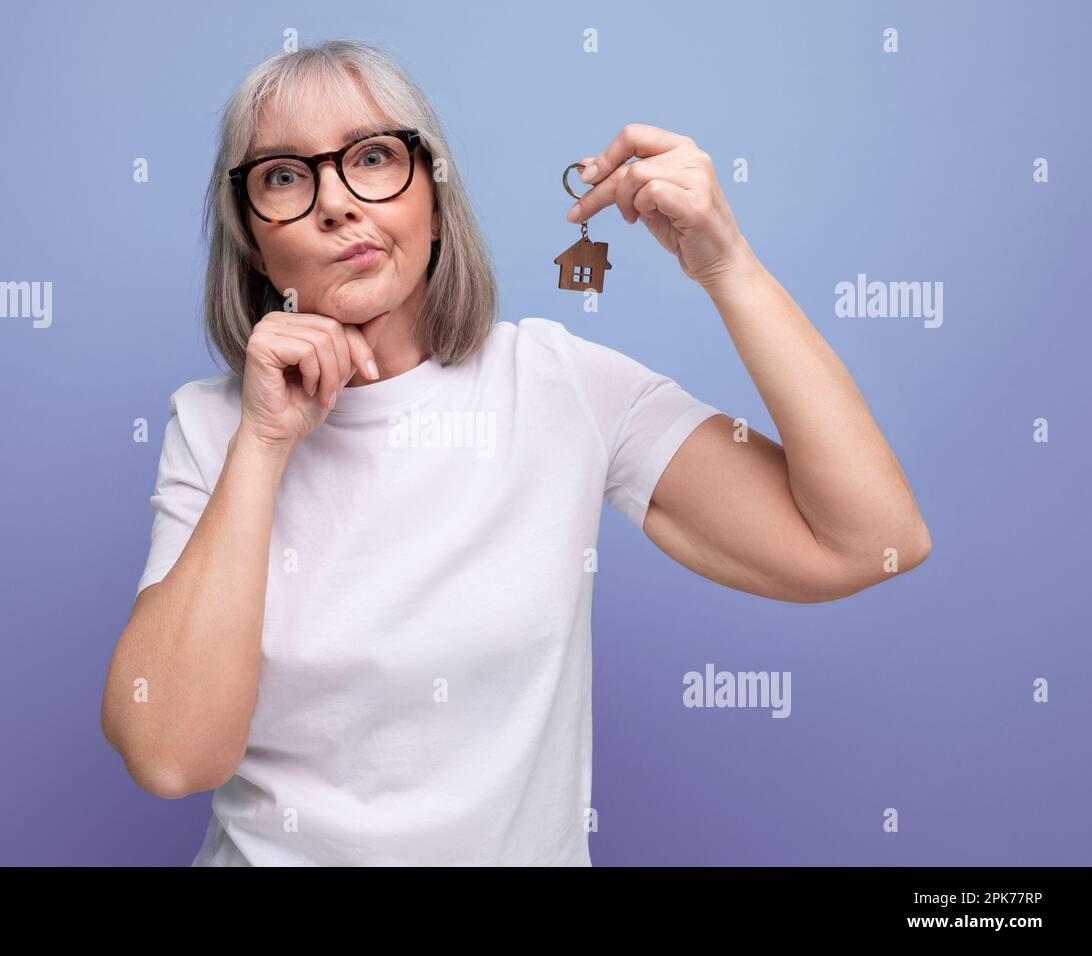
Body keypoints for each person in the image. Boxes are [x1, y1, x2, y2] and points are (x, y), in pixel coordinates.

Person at [99, 39, 931, 866]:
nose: (337, 203)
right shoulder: (215, 427)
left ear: (435, 193)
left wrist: (729, 268)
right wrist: (264, 443)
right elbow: (171, 757)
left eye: (375, 157)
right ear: (251, 236)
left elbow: (869, 542)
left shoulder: (560, 384)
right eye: (283, 175)